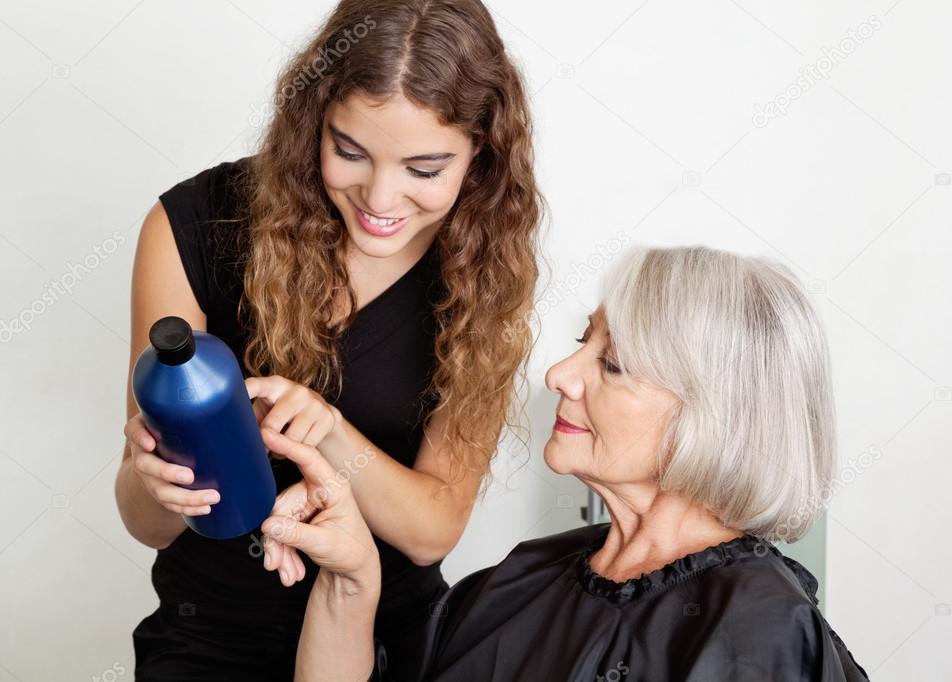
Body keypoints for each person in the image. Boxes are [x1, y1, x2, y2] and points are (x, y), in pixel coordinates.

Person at [114, 1, 543, 679]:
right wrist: (150, 480)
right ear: (312, 119)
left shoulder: (486, 268)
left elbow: (431, 530)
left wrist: (328, 434)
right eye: (349, 151)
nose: (381, 197)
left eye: (424, 170)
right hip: (207, 639)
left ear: (482, 152)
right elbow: (148, 524)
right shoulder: (192, 227)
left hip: (389, 638)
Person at [258, 245, 871, 681]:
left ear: (715, 413)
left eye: (613, 363)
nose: (558, 375)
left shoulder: (759, 631)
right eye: (585, 342)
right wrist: (350, 577)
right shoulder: (527, 576)